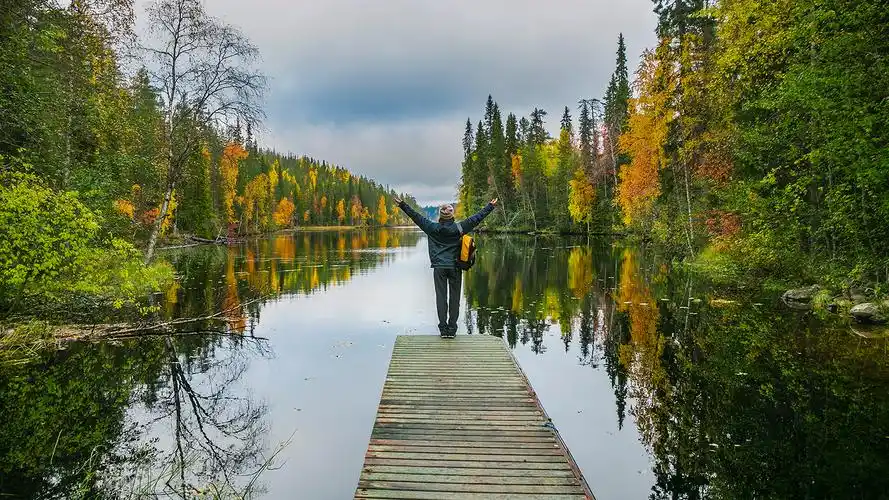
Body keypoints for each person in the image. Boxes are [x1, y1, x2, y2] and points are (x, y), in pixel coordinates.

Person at [394, 197, 497, 338]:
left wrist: (402, 205)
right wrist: (490, 206)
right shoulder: (460, 228)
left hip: (439, 268)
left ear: (440, 216)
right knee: (454, 299)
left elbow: (416, 217)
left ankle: (443, 330)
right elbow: (476, 219)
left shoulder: (432, 228)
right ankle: (452, 330)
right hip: (455, 267)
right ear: (452, 215)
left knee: (441, 298)